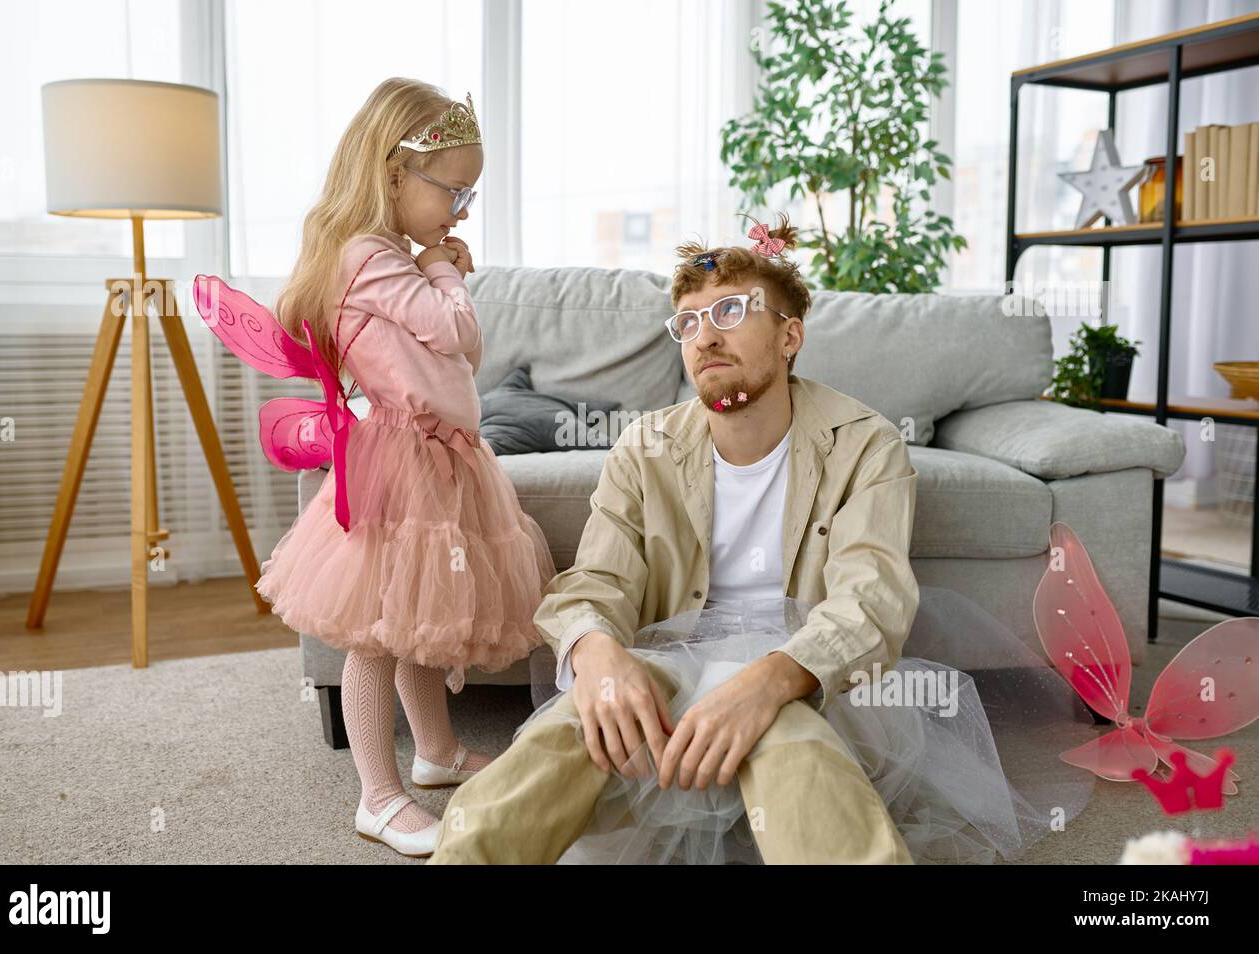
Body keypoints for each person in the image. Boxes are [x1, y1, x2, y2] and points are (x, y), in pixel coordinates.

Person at [428, 214, 1093, 864]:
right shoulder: (644, 447)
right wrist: (597, 656)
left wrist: (768, 682)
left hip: (806, 669)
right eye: (688, 321)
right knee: (576, 729)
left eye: (730, 313)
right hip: (670, 659)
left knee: (787, 735)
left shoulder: (866, 444)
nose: (704, 336)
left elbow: (873, 599)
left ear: (789, 336)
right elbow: (598, 581)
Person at [252, 79, 554, 857]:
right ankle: (378, 798)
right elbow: (452, 330)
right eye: (453, 189)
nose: (460, 208)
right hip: (398, 459)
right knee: (379, 633)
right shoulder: (368, 255)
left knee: (422, 625)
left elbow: (465, 354)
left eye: (469, 193)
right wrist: (445, 269)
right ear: (394, 176)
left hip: (441, 454)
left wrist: (436, 265)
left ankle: (438, 753)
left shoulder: (395, 258)